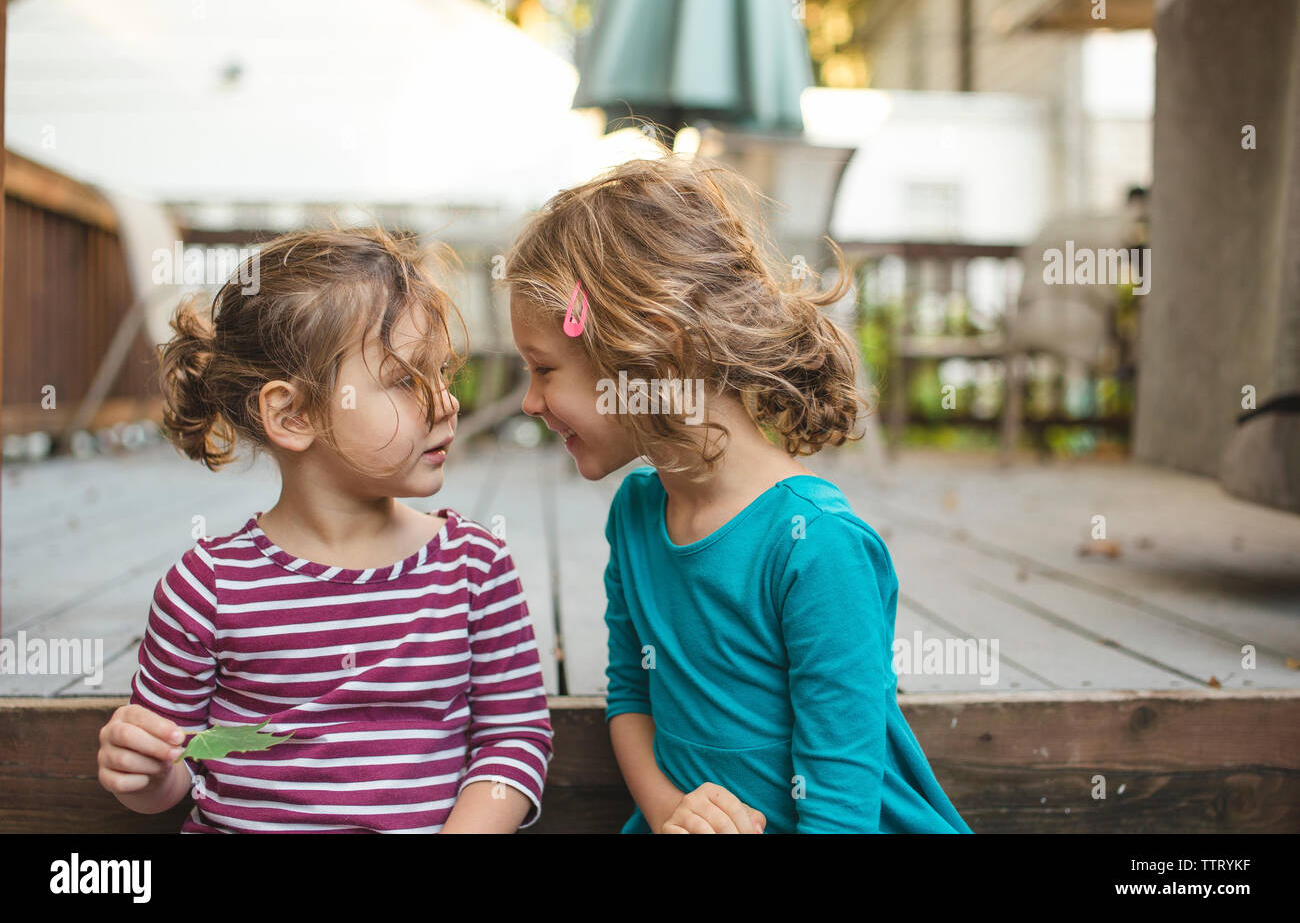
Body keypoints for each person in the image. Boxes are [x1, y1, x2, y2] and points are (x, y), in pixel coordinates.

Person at [502, 154, 972, 834]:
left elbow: (841, 811)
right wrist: (668, 810)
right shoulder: (636, 517)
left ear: (650, 351)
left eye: (545, 369)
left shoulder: (817, 547)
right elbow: (631, 694)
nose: (529, 401)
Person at [95, 226, 552, 833]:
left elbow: (513, 735)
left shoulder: (474, 567)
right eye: (405, 380)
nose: (446, 403)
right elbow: (181, 765)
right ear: (294, 414)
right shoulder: (206, 589)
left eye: (440, 375)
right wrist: (147, 773)